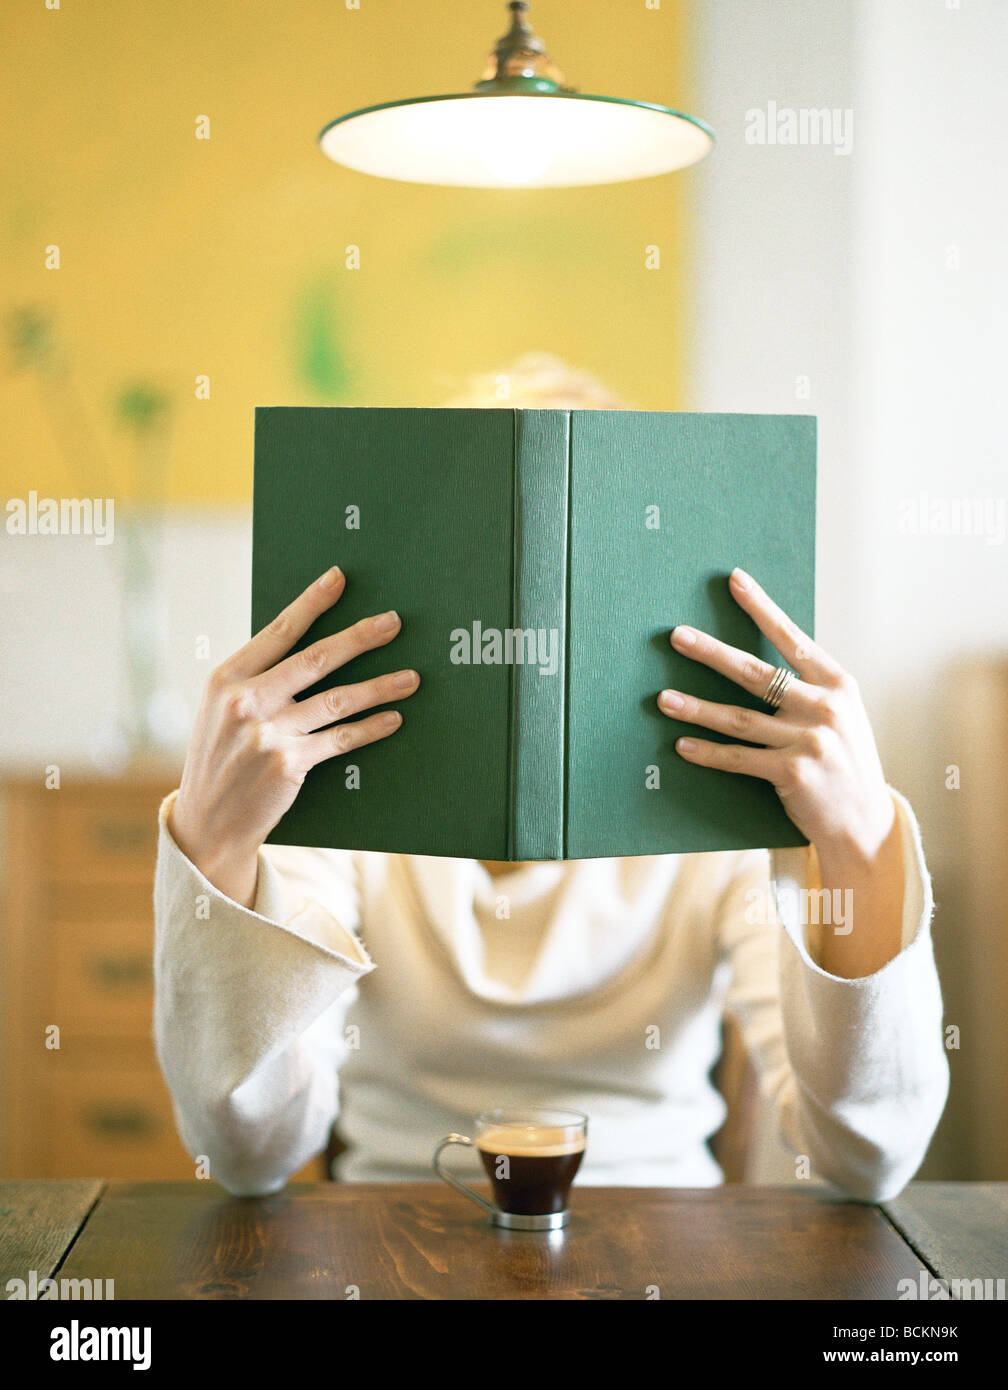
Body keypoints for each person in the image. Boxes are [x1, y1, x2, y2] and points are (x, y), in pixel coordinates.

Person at [153, 355, 949, 1200]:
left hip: (665, 1232)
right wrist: (216, 846)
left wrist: (859, 843)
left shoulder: (715, 781)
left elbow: (871, 1159)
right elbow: (246, 1152)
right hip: (393, 1223)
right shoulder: (345, 779)